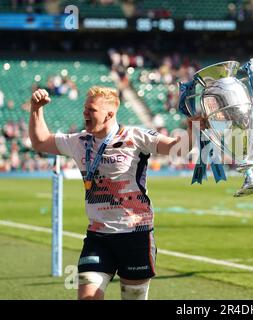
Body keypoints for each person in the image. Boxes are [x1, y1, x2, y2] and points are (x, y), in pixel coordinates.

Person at [28, 86, 189, 300]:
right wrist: (36, 109)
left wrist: (193, 127)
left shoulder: (136, 136)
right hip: (98, 238)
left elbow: (179, 149)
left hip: (136, 236)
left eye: (91, 110)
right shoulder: (79, 141)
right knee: (87, 297)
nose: (85, 113)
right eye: (85, 108)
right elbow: (40, 141)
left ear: (109, 114)